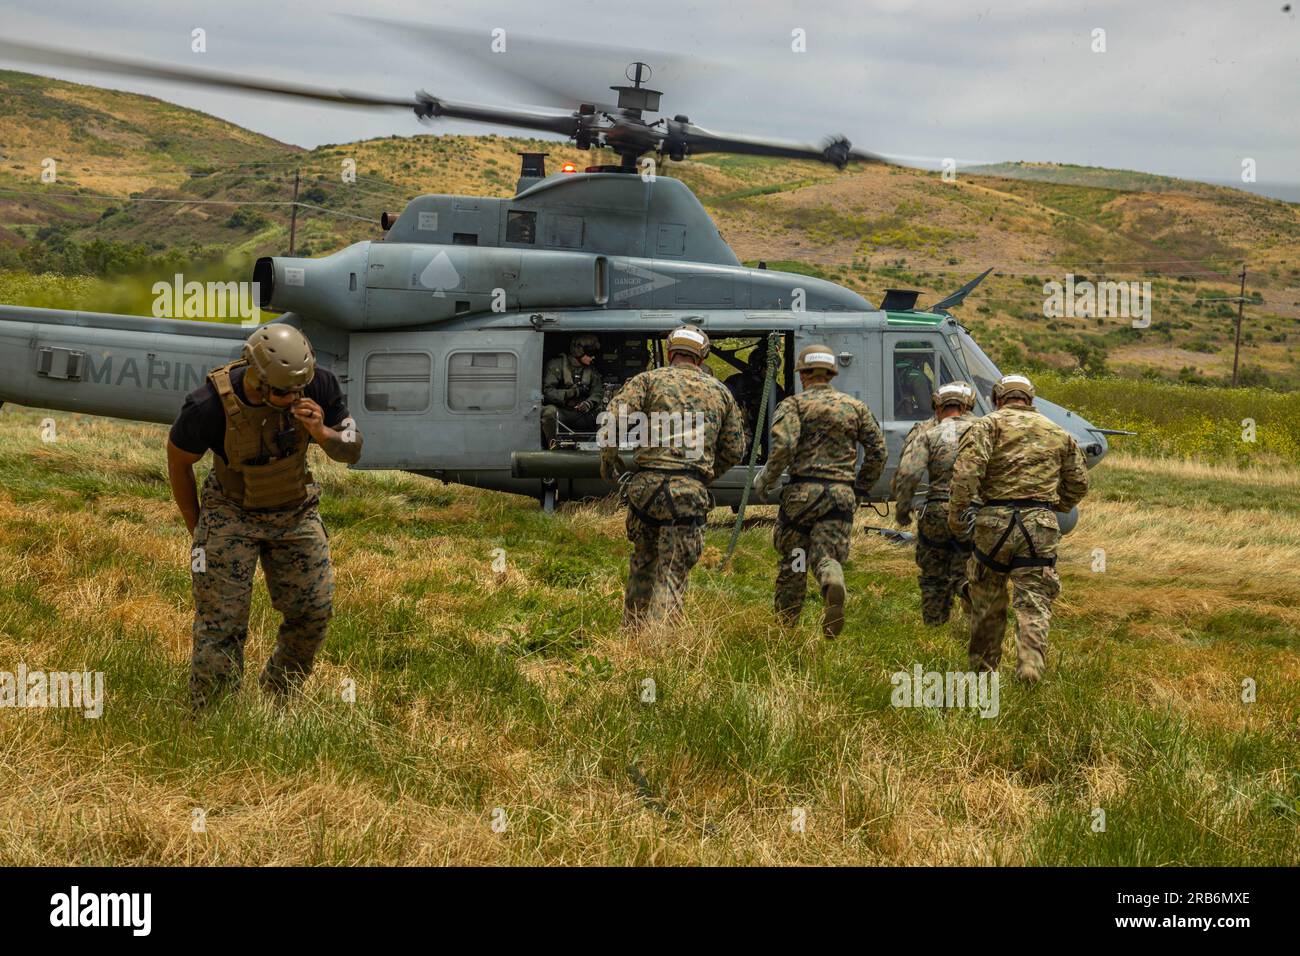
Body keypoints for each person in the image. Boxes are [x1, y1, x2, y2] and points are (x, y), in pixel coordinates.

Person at [166, 324, 363, 710]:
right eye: (281, 392)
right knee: (222, 624)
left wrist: (322, 432)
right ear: (255, 374)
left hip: (294, 511)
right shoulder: (207, 404)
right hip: (231, 513)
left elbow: (353, 449)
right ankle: (213, 716)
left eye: (297, 390)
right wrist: (199, 530)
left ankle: (278, 696)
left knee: (313, 611)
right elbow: (178, 461)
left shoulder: (318, 385)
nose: (291, 397)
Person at [601, 325, 746, 629]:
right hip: (687, 492)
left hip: (646, 489)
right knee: (673, 570)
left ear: (670, 353)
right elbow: (735, 450)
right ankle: (662, 644)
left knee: (643, 562)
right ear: (702, 356)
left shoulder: (648, 381)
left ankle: (633, 636)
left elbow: (612, 423)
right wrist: (703, 474)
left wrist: (609, 462)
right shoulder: (720, 392)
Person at [948, 373, 1089, 682]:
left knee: (987, 598)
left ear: (997, 398)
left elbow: (966, 476)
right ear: (1031, 400)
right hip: (1040, 525)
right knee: (1035, 599)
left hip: (993, 523)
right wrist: (1054, 506)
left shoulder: (986, 426)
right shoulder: (1058, 432)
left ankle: (984, 672)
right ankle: (1030, 665)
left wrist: (958, 518)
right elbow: (1079, 483)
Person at [754, 344, 886, 637]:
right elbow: (878, 452)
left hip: (802, 496)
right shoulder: (855, 407)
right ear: (830, 374)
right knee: (827, 554)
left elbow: (784, 447)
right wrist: (860, 488)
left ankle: (787, 628)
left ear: (802, 374)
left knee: (795, 560)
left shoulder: (794, 405)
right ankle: (830, 575)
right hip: (839, 497)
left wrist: (766, 481)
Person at [891, 381, 979, 626]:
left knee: (932, 574)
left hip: (937, 511)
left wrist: (902, 509)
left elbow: (908, 473)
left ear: (938, 407)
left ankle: (933, 625)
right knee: (970, 565)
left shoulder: (929, 432)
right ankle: (966, 591)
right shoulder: (985, 430)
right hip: (973, 513)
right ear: (966, 406)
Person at [542, 333, 603, 445]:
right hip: (562, 412)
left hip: (583, 415)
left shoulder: (592, 371)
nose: (593, 357)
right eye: (590, 354)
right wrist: (571, 393)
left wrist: (588, 404)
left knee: (605, 415)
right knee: (549, 413)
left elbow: (598, 392)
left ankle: (600, 447)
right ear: (578, 351)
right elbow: (548, 392)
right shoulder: (556, 365)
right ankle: (553, 446)